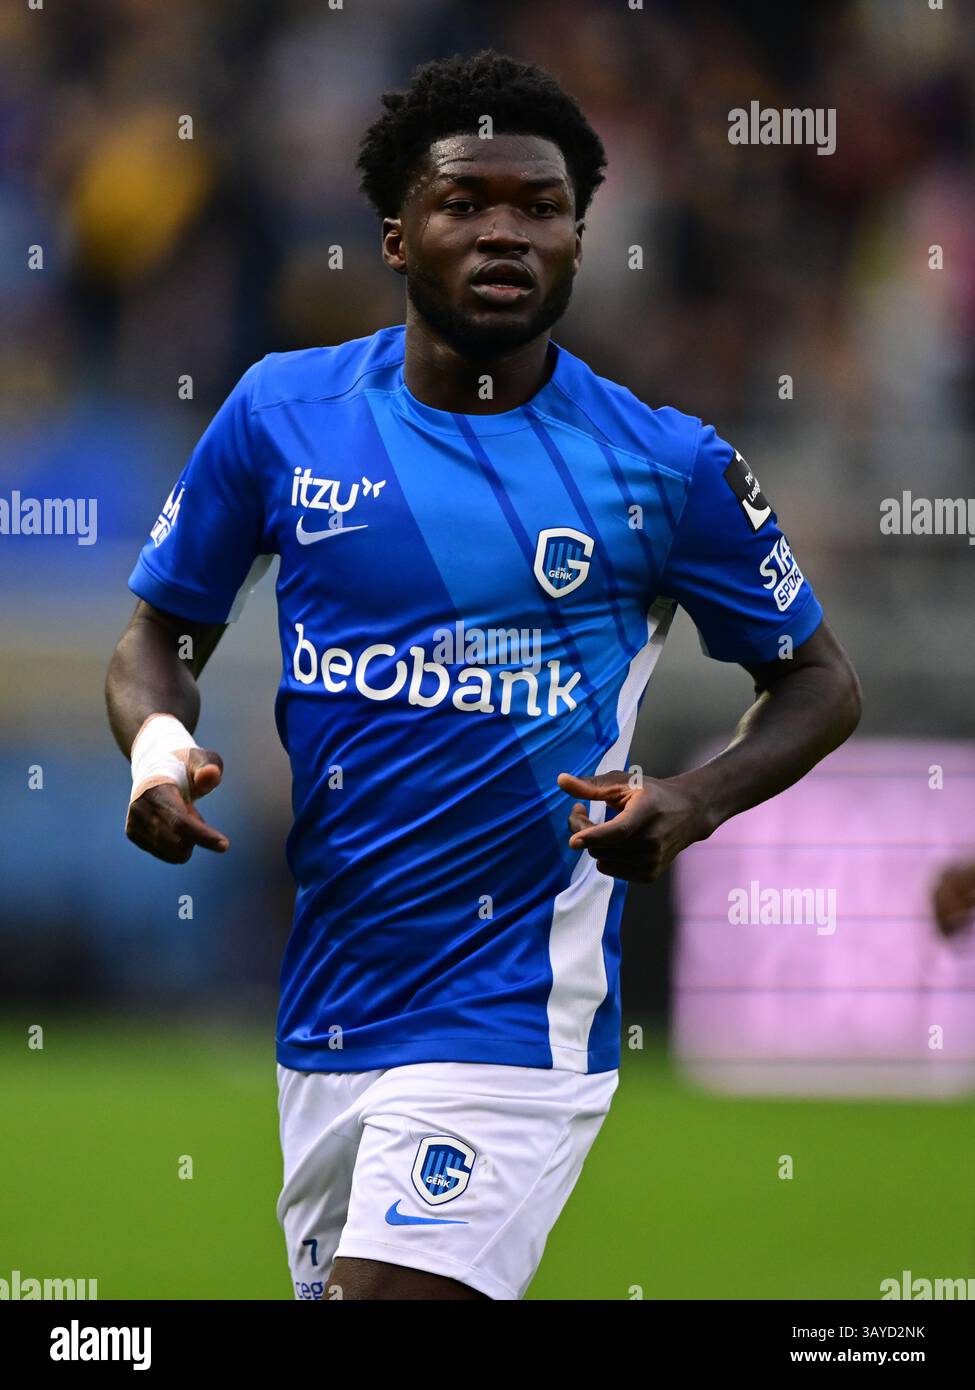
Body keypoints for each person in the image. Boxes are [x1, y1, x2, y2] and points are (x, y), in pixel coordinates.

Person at [105, 50, 862, 1301]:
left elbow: (821, 681)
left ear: (579, 237)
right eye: (467, 204)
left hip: (519, 1004)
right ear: (399, 237)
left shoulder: (667, 466)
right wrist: (154, 748)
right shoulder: (280, 413)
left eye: (542, 206)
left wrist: (695, 798)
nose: (506, 231)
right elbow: (157, 638)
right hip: (334, 1005)